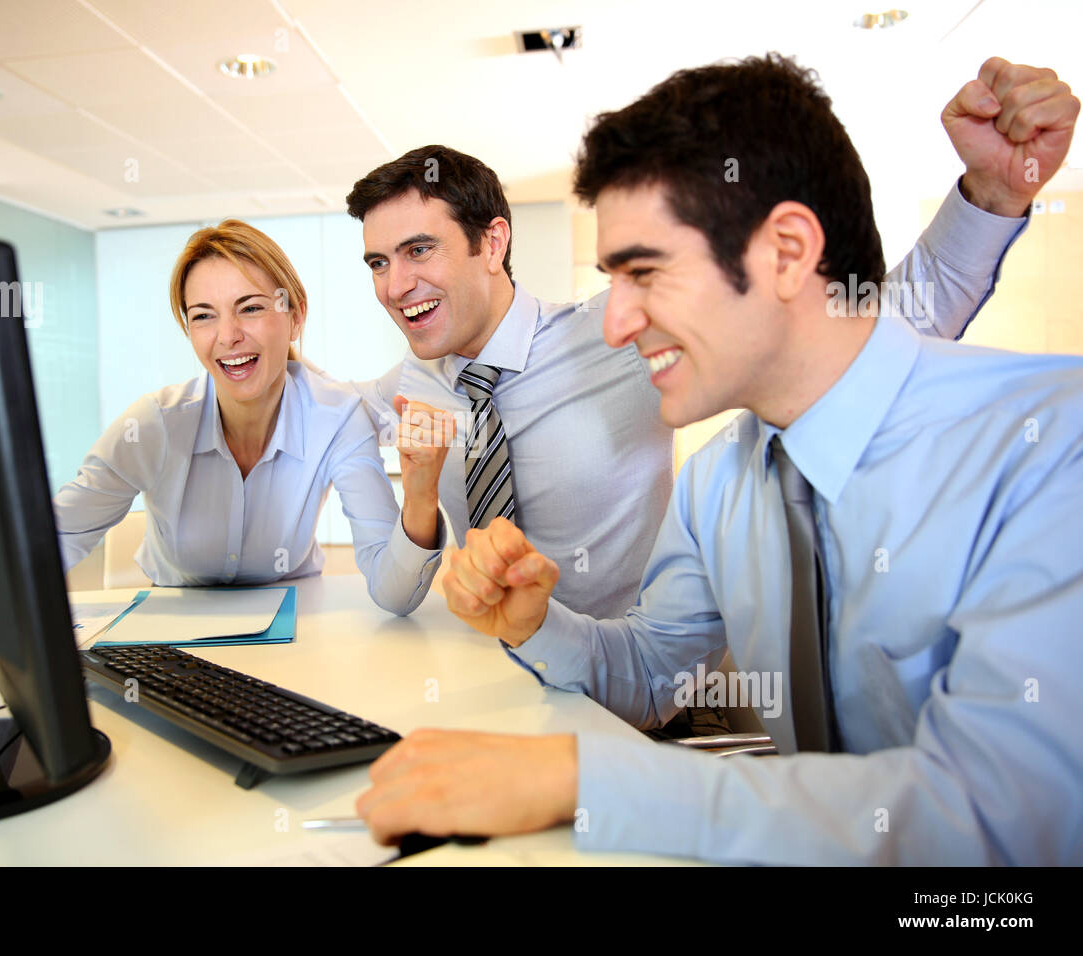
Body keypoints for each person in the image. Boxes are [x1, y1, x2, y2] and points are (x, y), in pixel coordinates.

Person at [355, 54, 1083, 864]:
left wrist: (582, 781)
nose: (618, 322)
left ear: (784, 252)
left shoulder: (1056, 448)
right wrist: (536, 624)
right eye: (377, 264)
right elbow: (649, 666)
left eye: (645, 273)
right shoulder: (716, 487)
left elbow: (1006, 824)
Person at [345, 104, 1034, 623]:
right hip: (489, 682)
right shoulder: (405, 389)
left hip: (637, 691)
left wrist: (991, 197)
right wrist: (421, 498)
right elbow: (392, 592)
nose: (393, 286)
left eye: (418, 251)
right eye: (378, 262)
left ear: (491, 242)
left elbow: (868, 329)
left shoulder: (616, 335)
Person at [53, 220, 449, 616]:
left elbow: (395, 593)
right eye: (204, 316)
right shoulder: (154, 425)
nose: (228, 336)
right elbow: (51, 540)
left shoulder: (339, 418)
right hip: (173, 633)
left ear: (295, 317)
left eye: (251, 308)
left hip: (299, 627)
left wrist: (420, 495)